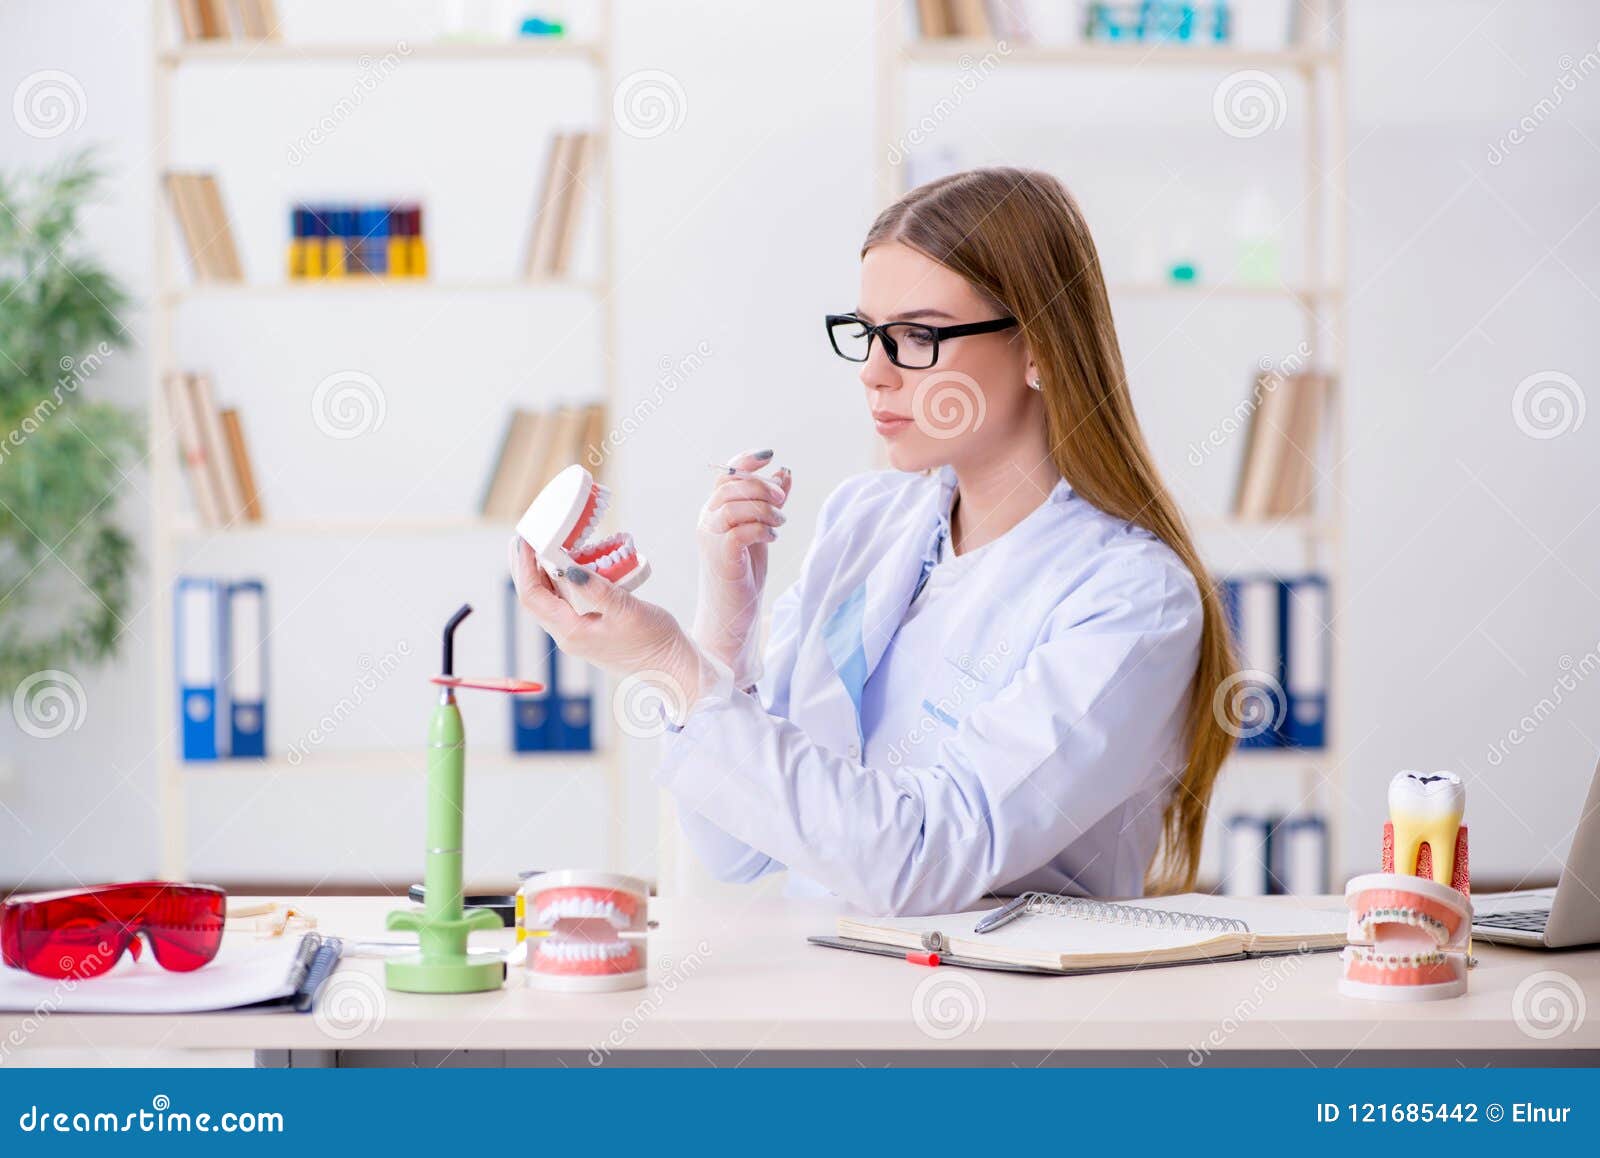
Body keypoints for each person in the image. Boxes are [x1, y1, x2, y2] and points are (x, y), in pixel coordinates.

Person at [511, 167, 1236, 916]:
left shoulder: (1132, 598)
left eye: (917, 336)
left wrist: (667, 663)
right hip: (832, 984)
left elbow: (921, 861)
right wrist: (722, 632)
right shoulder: (868, 520)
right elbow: (737, 846)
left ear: (1039, 350)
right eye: (868, 334)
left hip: (1004, 1014)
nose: (874, 373)